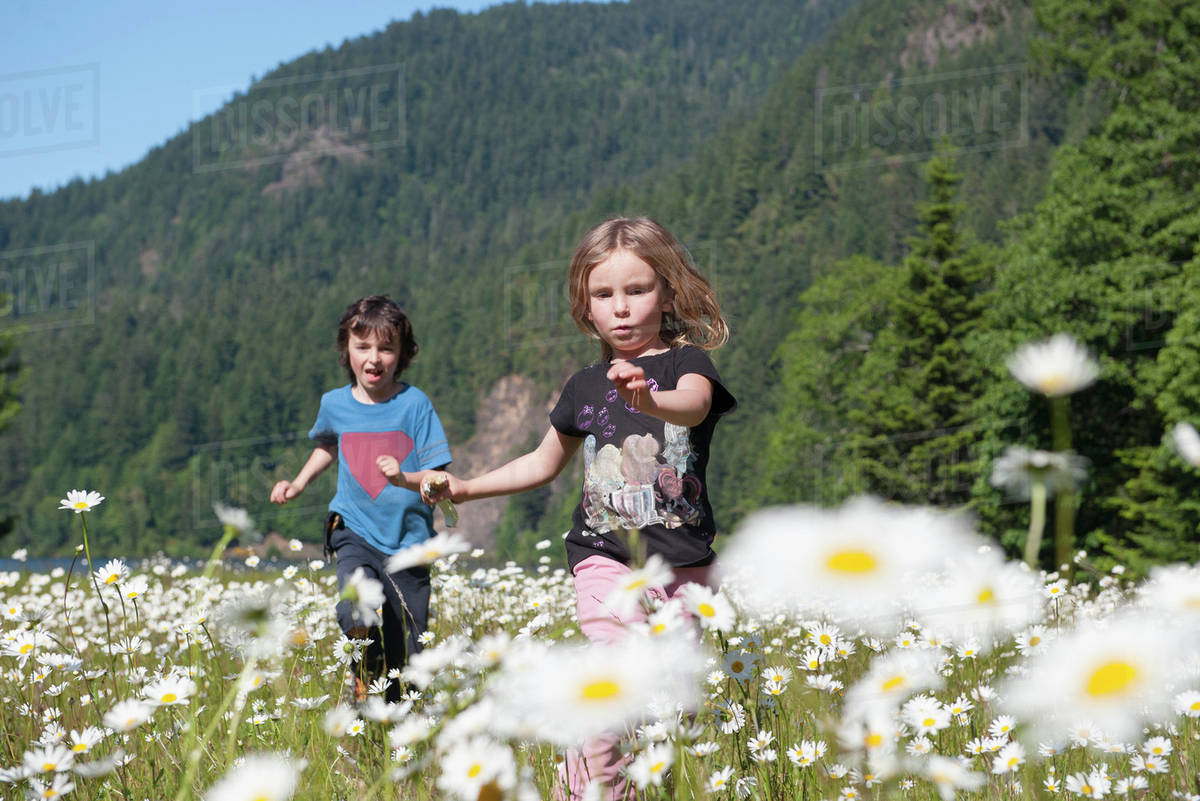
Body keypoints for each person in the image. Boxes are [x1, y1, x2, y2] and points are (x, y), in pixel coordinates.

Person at [424, 216, 736, 799]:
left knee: (672, 707)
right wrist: (464, 488)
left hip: (685, 571)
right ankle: (589, 792)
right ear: (584, 306)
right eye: (603, 294)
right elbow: (541, 463)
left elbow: (693, 408)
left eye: (637, 290)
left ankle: (625, 781)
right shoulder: (583, 387)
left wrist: (650, 398)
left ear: (668, 294)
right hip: (604, 562)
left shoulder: (686, 367)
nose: (620, 307)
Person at [269, 295, 450, 702]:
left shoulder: (415, 405)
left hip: (408, 542)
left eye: (386, 348)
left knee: (410, 648)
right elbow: (329, 446)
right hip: (354, 531)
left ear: (402, 355)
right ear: (345, 350)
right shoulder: (334, 404)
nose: (374, 358)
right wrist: (298, 484)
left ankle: (400, 714)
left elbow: (439, 476)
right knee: (357, 607)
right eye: (362, 346)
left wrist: (406, 477)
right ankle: (363, 674)